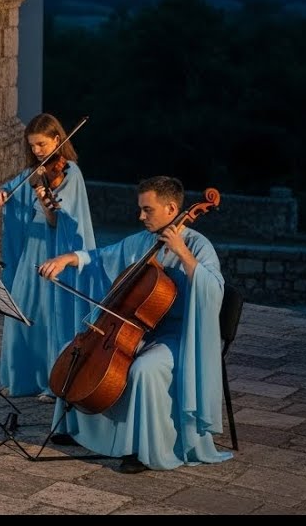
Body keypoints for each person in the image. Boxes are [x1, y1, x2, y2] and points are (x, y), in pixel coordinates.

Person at [37, 176, 230, 474]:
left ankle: (141, 449)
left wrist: (182, 252)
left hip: (180, 336)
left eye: (147, 209)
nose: (141, 216)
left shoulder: (198, 245)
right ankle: (75, 427)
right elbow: (103, 257)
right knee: (75, 350)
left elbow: (214, 290)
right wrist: (67, 259)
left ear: (171, 208)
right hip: (139, 330)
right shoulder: (143, 242)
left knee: (143, 369)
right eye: (140, 209)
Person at [0, 113, 96, 401]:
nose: (37, 151)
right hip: (31, 254)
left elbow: (57, 223)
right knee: (21, 311)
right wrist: (0, 193)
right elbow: (10, 189)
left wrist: (42, 198)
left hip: (56, 253)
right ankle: (19, 377)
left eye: (41, 144)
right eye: (33, 146)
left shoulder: (70, 173)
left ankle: (53, 380)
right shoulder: (34, 173)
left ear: (57, 140)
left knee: (52, 316)